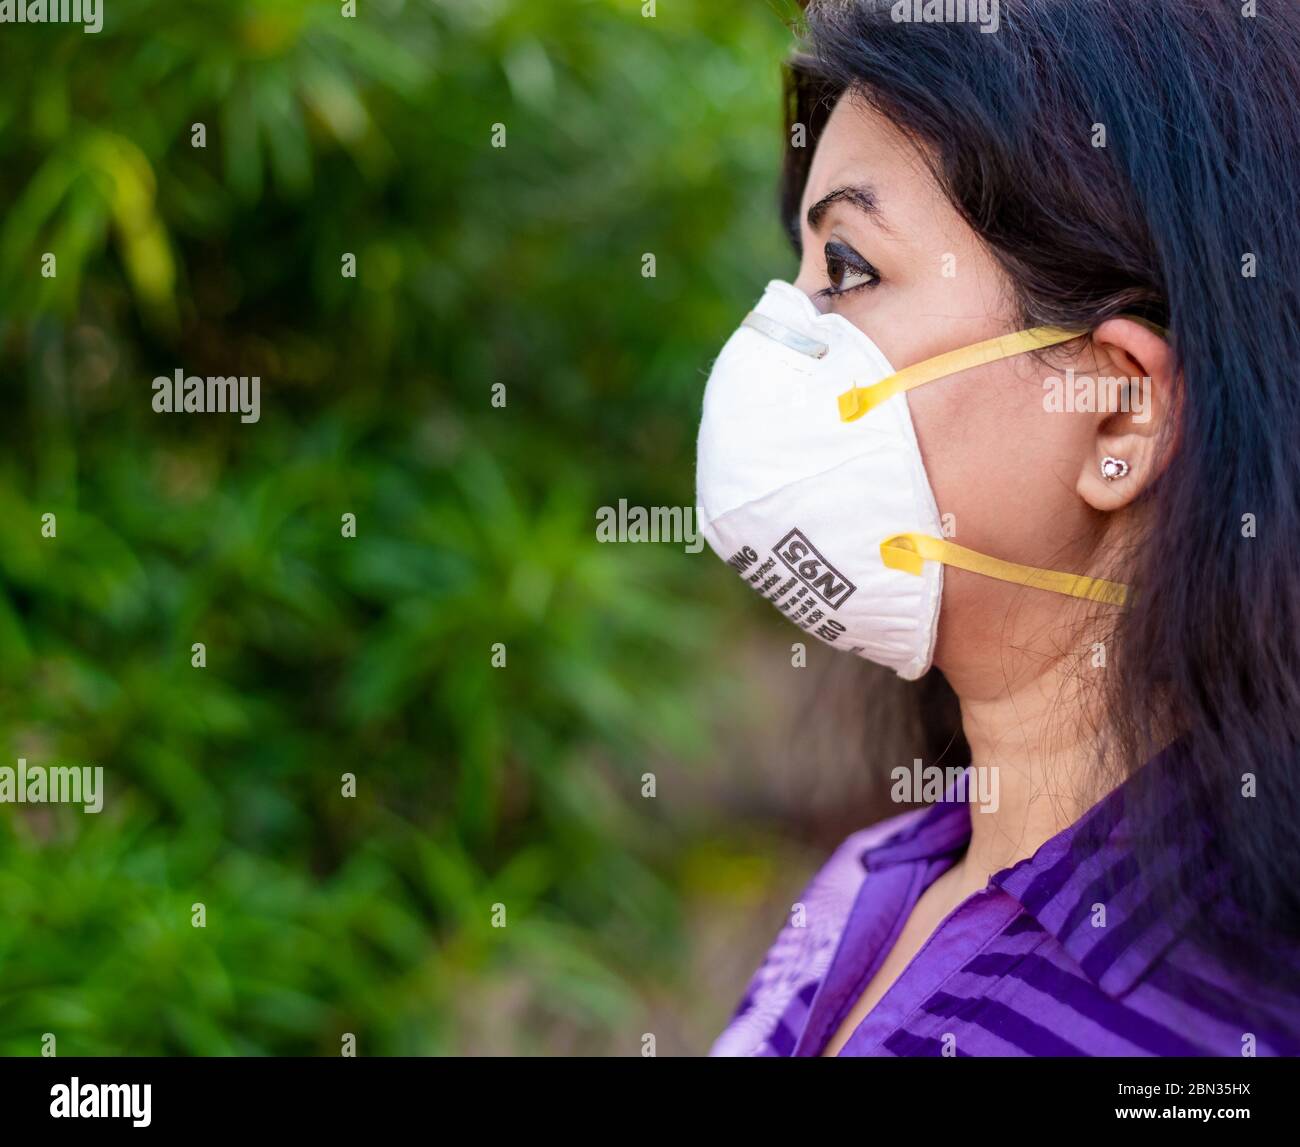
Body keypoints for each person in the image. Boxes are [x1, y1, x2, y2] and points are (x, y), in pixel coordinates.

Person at [696, 0, 1300, 1057]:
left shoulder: (1215, 1033)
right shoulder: (860, 887)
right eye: (801, 267)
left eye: (847, 270)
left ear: (1116, 413)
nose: (775, 337)